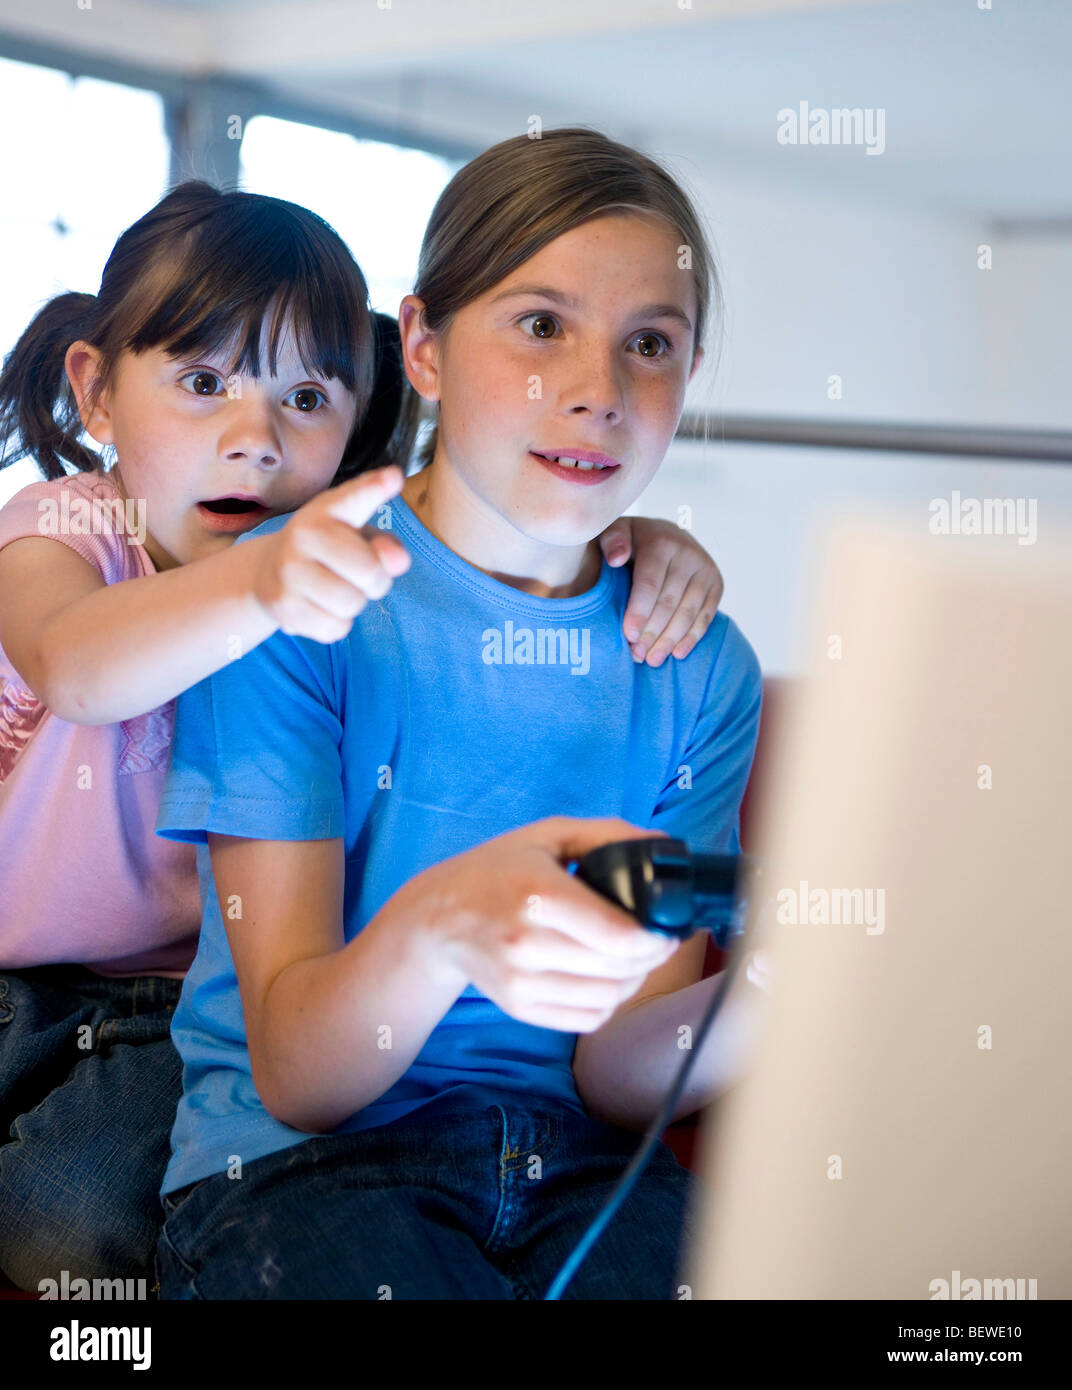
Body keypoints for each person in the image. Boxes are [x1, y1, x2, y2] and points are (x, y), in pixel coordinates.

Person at [0, 179, 726, 1293]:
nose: (252, 441)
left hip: (161, 1002)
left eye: (304, 397)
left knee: (80, 1221)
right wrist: (261, 585)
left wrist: (645, 535)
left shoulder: (318, 549)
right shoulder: (82, 534)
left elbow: (500, 519)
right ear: (96, 393)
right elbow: (80, 667)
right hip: (27, 975)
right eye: (201, 384)